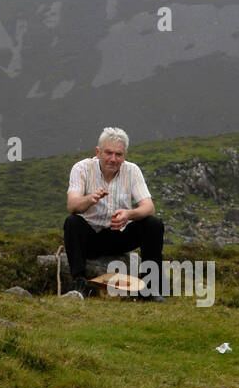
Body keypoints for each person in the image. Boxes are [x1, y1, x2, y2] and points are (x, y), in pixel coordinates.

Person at [62, 127, 165, 301]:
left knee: (154, 224)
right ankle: (79, 282)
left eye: (119, 154)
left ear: (124, 156)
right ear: (98, 152)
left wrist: (129, 214)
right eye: (108, 153)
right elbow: (72, 205)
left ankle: (150, 288)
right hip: (90, 238)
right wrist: (89, 200)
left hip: (120, 235)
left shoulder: (132, 170)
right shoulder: (81, 168)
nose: (113, 159)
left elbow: (149, 207)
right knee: (72, 222)